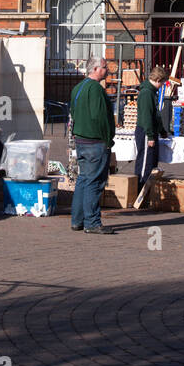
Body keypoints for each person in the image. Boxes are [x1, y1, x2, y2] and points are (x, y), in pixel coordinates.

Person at [69, 56, 117, 235]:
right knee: (94, 182)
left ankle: (77, 220)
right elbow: (100, 117)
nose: (107, 70)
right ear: (95, 69)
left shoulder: (78, 88)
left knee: (84, 179)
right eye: (104, 67)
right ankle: (92, 222)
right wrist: (108, 139)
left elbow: (73, 112)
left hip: (81, 139)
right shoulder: (95, 88)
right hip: (95, 141)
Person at [134, 65, 167, 191]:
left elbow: (156, 115)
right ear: (158, 80)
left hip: (150, 131)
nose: (162, 86)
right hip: (146, 131)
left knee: (151, 163)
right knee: (145, 164)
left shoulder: (151, 92)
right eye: (162, 83)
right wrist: (150, 136)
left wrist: (162, 131)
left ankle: (147, 192)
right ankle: (140, 190)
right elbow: (147, 116)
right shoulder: (147, 93)